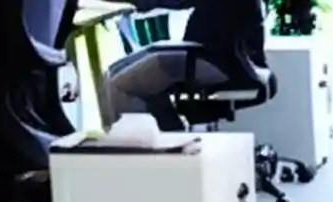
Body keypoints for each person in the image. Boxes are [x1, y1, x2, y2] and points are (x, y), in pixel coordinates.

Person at [104, 0, 264, 129]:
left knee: (117, 85)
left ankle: (153, 150)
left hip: (214, 61)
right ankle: (171, 141)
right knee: (112, 73)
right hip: (215, 57)